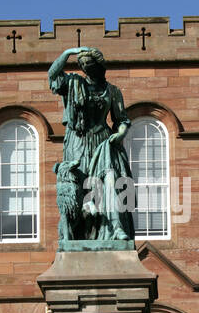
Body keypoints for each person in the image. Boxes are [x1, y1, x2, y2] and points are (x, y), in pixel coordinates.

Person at [46, 47, 136, 242]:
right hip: (77, 142)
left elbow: (121, 119)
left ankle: (114, 228)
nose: (85, 66)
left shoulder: (112, 91)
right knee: (79, 187)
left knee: (108, 182)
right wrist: (68, 52)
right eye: (82, 64)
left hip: (103, 141)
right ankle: (78, 234)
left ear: (99, 65)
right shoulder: (72, 83)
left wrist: (121, 132)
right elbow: (53, 75)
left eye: (89, 63)